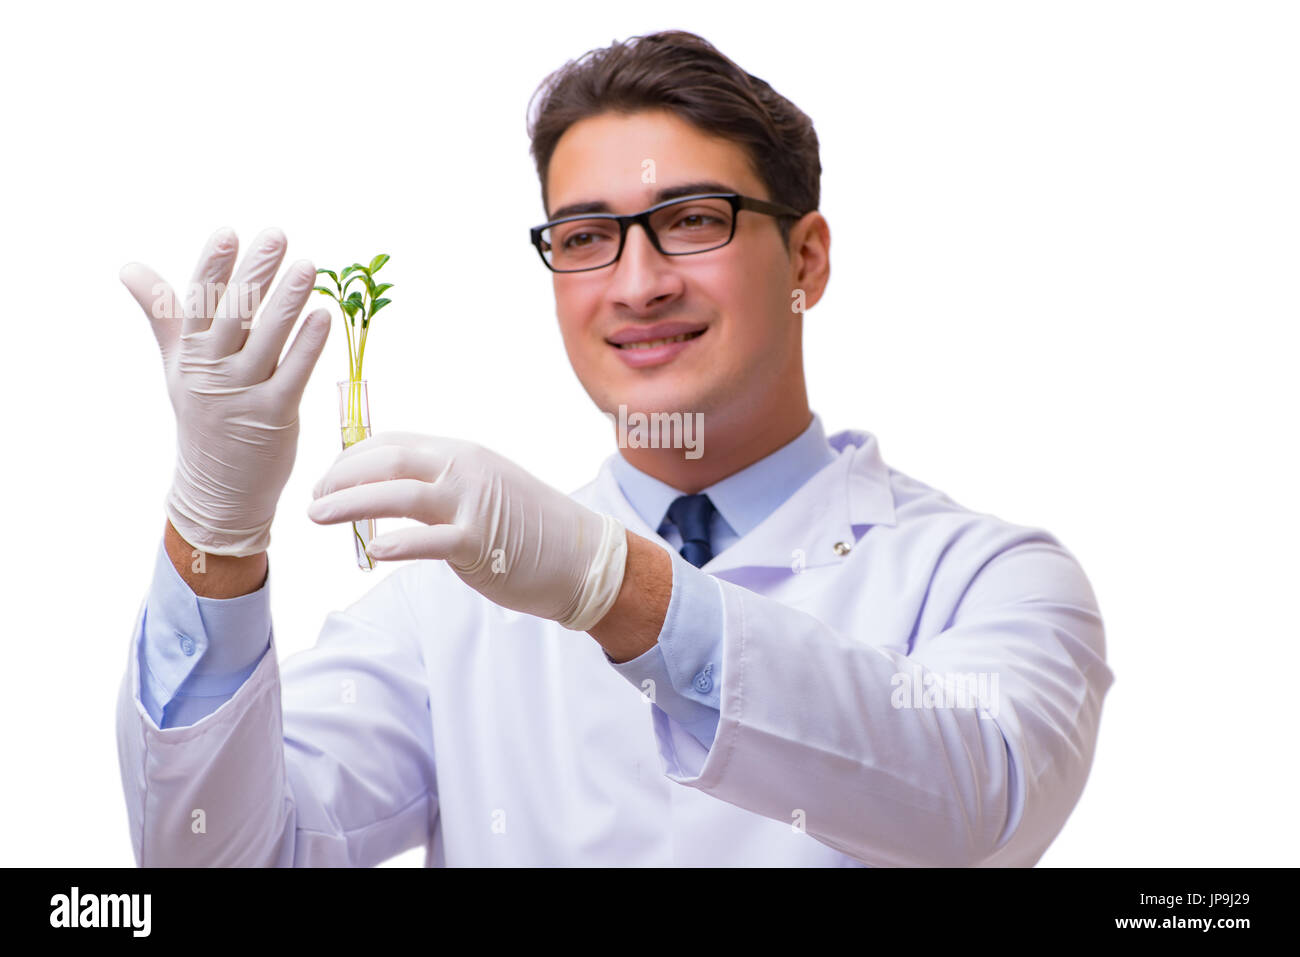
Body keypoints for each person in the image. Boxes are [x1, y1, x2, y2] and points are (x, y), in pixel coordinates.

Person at [115, 29, 1113, 867]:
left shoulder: (988, 577)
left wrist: (617, 590)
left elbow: (980, 796)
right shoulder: (442, 607)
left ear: (804, 258)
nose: (636, 285)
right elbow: (226, 860)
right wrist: (216, 539)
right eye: (587, 236)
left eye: (689, 221)